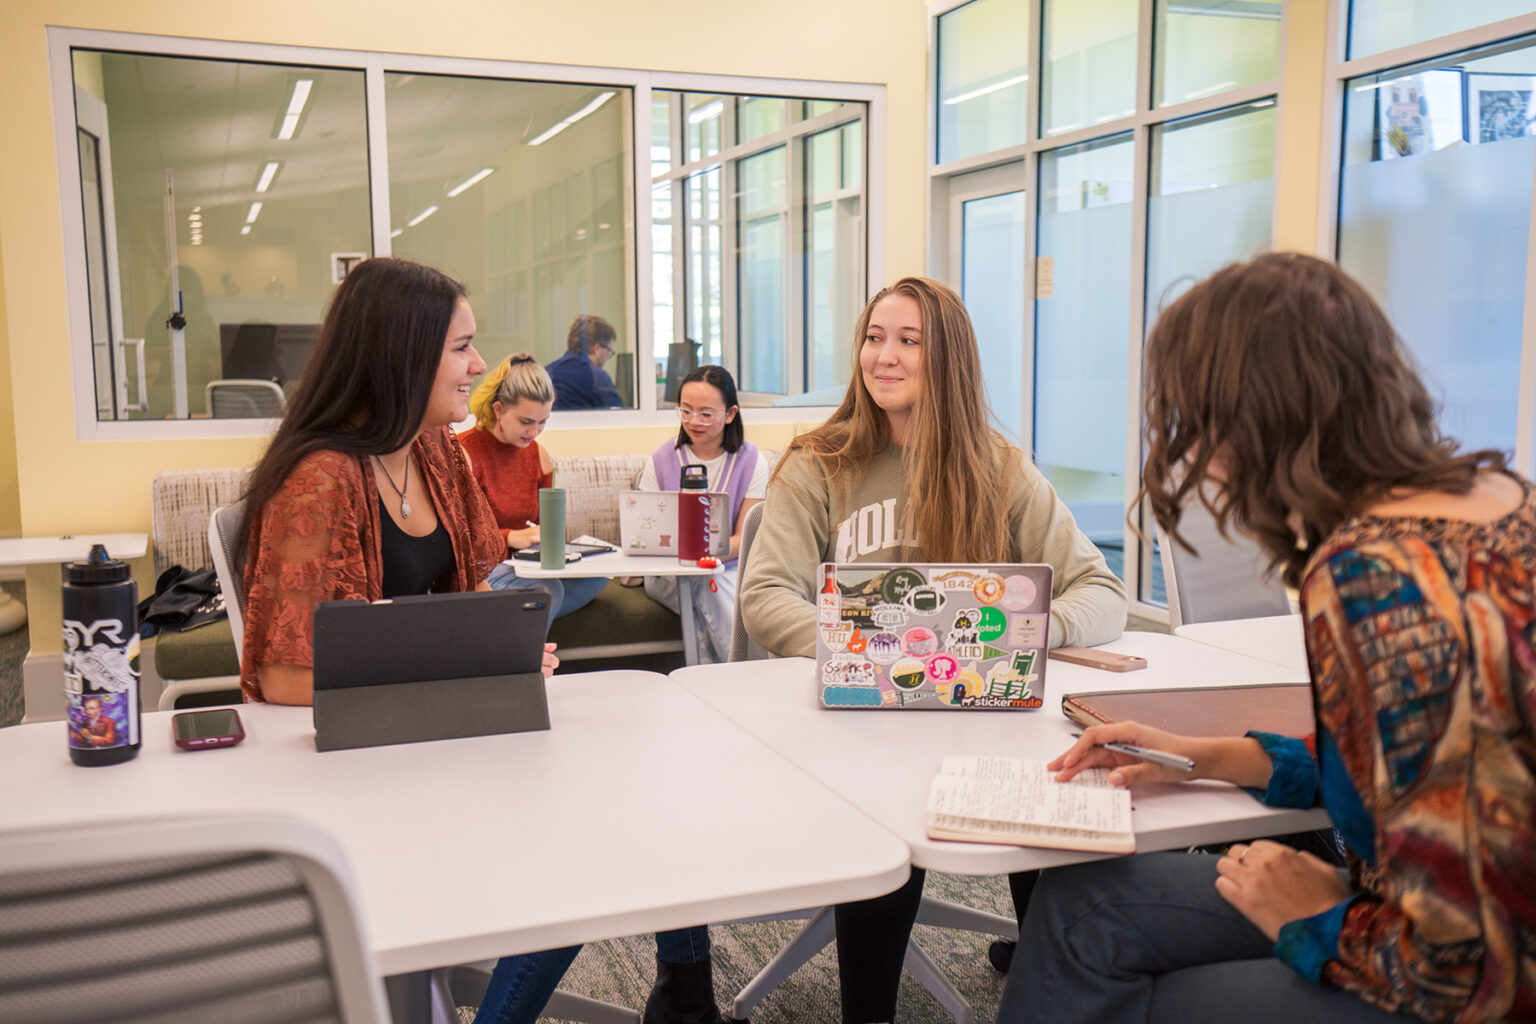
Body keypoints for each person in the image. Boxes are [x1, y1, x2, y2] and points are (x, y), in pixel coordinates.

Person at [1001, 252, 1536, 1024]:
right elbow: (1417, 765)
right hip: (1433, 916)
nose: (1193, 458)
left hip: (1464, 981)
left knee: (1129, 988)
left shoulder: (1373, 577)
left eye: (1196, 424)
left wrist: (1320, 918)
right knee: (1086, 898)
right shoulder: (1497, 494)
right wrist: (1195, 754)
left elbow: (1467, 969)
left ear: (1246, 426)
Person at [739, 275, 1127, 1024]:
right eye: (873, 337)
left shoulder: (1000, 467)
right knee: (889, 832)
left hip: (977, 717)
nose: (882, 356)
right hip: (854, 719)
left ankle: (1048, 990)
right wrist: (871, 654)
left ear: (947, 358)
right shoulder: (817, 462)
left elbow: (1101, 592)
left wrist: (1021, 635)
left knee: (1047, 799)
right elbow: (766, 599)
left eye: (907, 341)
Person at [232, 256, 572, 1024]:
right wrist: (462, 660)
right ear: (400, 353)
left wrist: (503, 649)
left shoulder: (433, 452)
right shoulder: (320, 477)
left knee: (601, 829)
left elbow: (478, 591)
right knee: (581, 860)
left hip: (434, 744)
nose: (480, 366)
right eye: (461, 347)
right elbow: (288, 678)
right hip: (354, 773)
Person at [463, 353, 608, 621]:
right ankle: (528, 641)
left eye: (543, 421)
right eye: (525, 422)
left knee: (598, 576)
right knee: (546, 591)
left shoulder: (538, 455)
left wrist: (550, 541)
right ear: (498, 410)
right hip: (484, 571)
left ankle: (521, 617)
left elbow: (543, 526)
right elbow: (457, 537)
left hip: (527, 566)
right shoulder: (465, 452)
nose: (534, 432)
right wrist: (509, 537)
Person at [638, 364, 768, 662]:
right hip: (669, 574)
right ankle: (749, 673)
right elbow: (646, 535)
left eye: (706, 414)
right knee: (705, 584)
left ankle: (707, 685)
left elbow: (744, 539)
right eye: (685, 411)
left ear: (730, 414)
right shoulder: (661, 460)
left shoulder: (751, 462)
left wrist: (706, 557)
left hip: (727, 569)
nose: (693, 421)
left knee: (710, 584)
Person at [546, 313, 622, 410]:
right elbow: (618, 415)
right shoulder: (596, 377)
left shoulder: (547, 372)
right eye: (609, 351)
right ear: (597, 348)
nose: (608, 357)